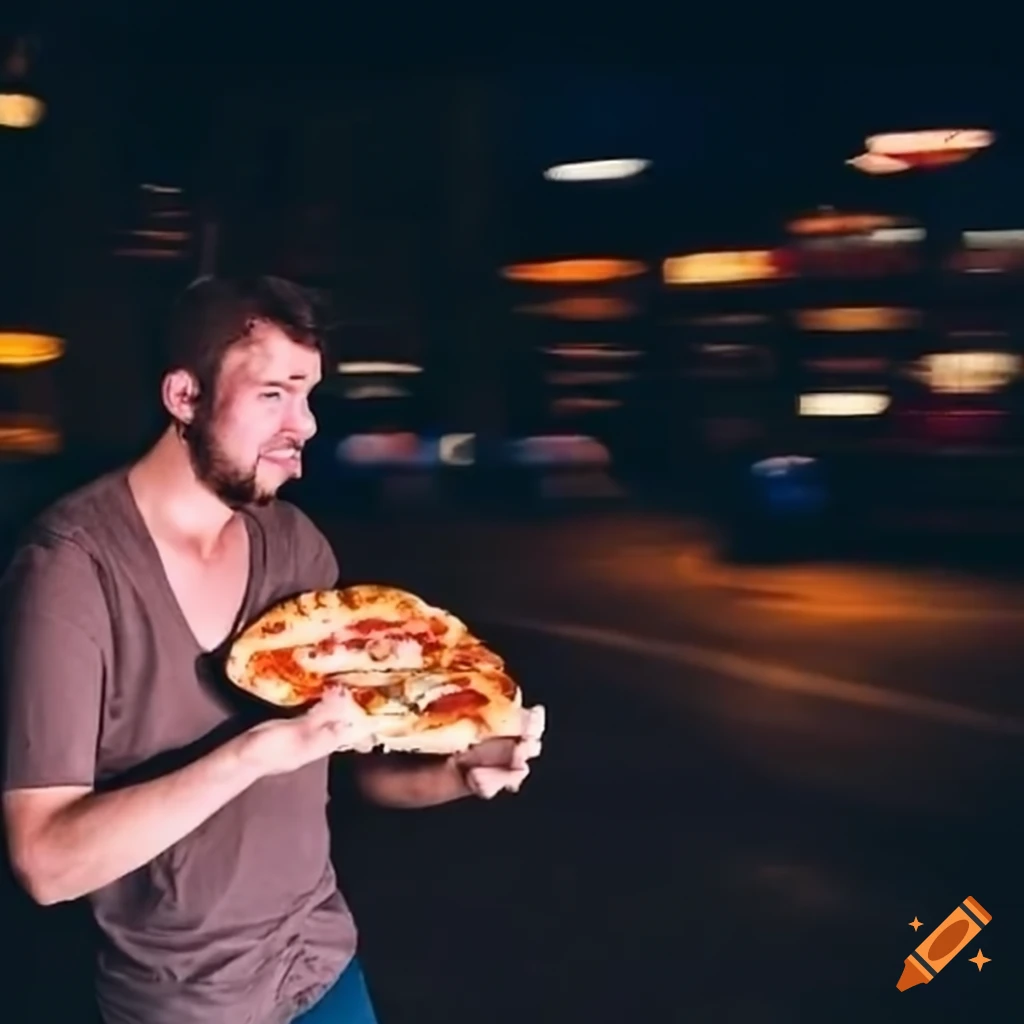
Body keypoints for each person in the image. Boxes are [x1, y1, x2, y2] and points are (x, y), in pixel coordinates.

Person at [0, 275, 545, 1024]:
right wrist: (254, 752)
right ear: (183, 397)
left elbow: (338, 776)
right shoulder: (70, 568)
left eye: (309, 394)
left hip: (321, 969)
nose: (306, 425)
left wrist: (459, 770)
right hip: (186, 1002)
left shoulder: (293, 546)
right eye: (273, 395)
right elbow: (47, 863)